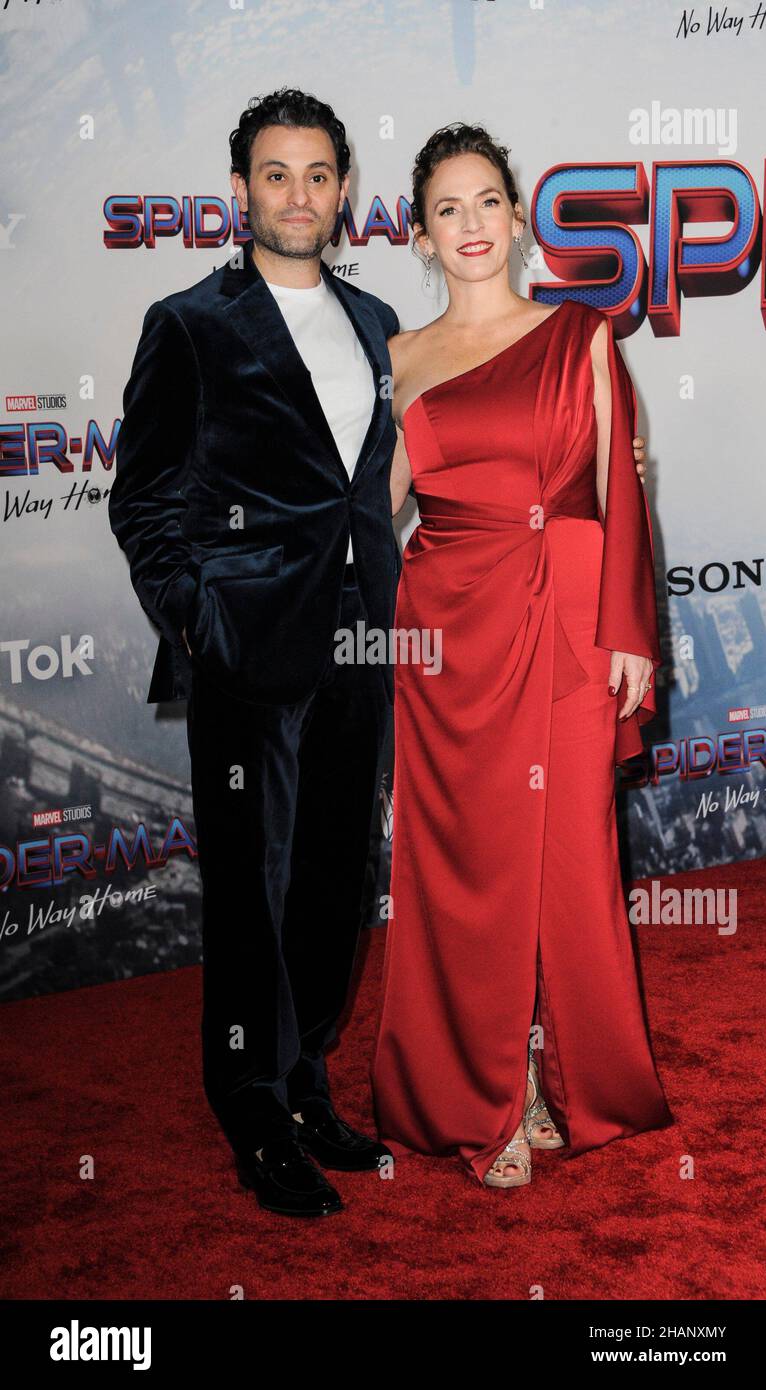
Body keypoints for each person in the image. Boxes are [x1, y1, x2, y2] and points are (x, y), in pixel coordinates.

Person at [108, 88, 403, 1219]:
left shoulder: (378, 322)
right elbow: (144, 500)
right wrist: (195, 615)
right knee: (252, 882)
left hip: (357, 635)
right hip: (244, 643)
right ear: (239, 192)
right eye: (274, 175)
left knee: (335, 871)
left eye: (316, 174)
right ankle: (247, 1101)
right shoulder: (190, 322)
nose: (297, 195)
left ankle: (304, 1078)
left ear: (341, 190)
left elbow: (372, 489)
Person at [371, 122, 674, 1189]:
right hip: (449, 633)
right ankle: (482, 1100)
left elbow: (618, 488)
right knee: (464, 873)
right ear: (416, 233)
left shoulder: (582, 332)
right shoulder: (397, 359)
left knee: (569, 860)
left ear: (514, 216)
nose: (468, 225)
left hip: (566, 621)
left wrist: (628, 631)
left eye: (485, 201)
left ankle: (561, 1078)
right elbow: (373, 518)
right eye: (445, 208)